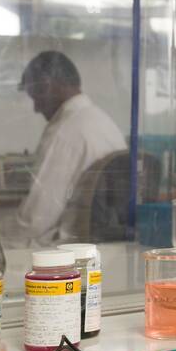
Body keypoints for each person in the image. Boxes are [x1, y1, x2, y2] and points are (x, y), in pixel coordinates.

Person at [15, 50, 126, 246]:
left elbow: (35, 221)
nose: (36, 109)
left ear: (48, 85)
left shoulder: (66, 130)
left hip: (66, 252)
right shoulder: (101, 120)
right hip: (107, 249)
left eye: (36, 98)